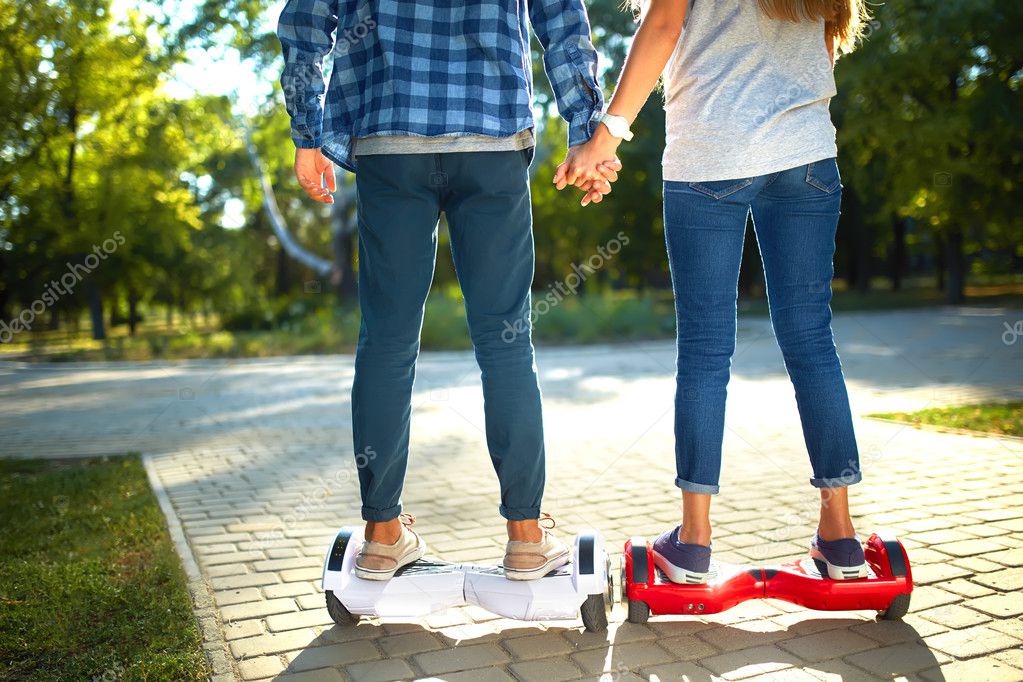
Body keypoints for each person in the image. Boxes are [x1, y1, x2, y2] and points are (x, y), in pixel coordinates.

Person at [277, 0, 618, 581]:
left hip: (391, 134)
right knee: (506, 343)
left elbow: (306, 19)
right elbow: (561, 20)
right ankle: (527, 538)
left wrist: (308, 131)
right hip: (491, 136)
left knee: (385, 343)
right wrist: (587, 128)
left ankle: (383, 537)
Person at [558, 0, 871, 582]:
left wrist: (608, 135)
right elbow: (825, 38)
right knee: (810, 339)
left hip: (711, 154)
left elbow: (663, 24)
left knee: (705, 349)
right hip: (807, 157)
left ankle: (694, 543)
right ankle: (841, 535)